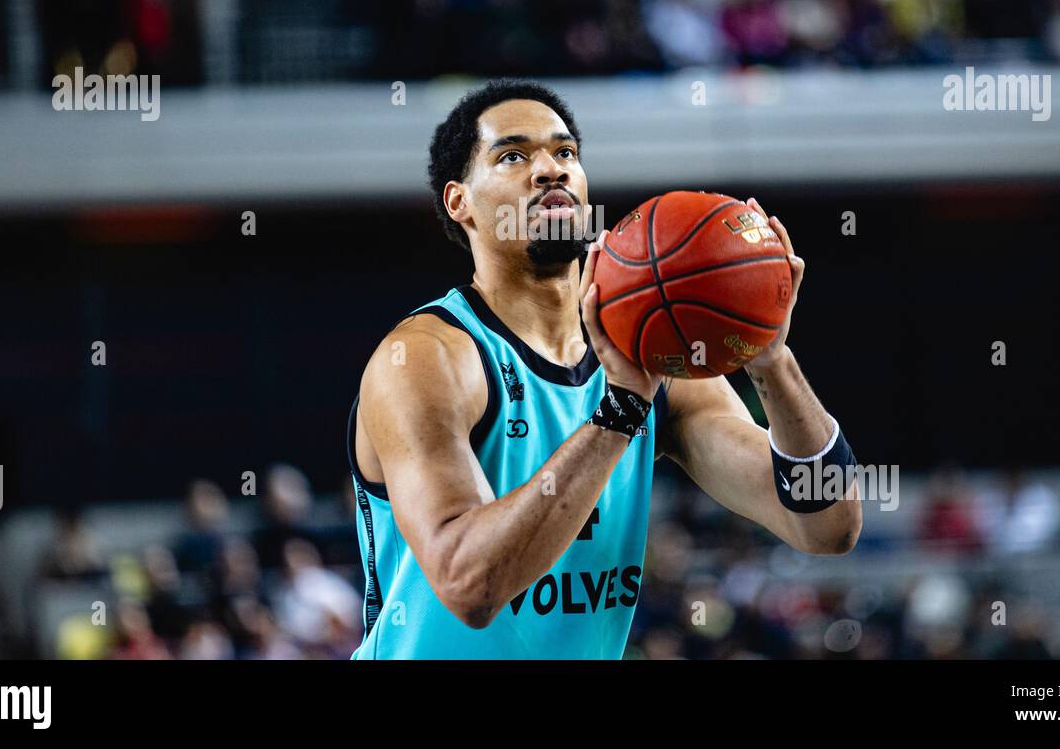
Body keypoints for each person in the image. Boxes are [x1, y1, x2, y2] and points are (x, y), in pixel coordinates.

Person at [347, 79, 861, 659]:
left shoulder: (653, 358)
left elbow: (827, 525)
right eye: (513, 155)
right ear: (458, 201)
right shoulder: (425, 358)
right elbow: (469, 584)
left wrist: (769, 357)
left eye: (565, 153)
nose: (550, 170)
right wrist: (618, 413)